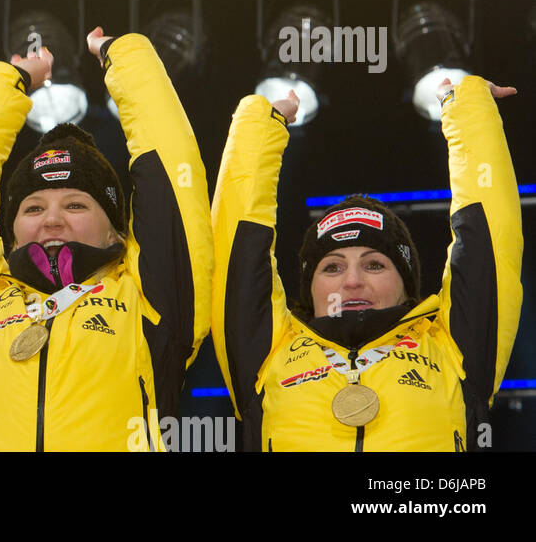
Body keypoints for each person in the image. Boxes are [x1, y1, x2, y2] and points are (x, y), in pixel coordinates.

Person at [0, 28, 214, 451]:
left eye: (76, 206)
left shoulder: (147, 300)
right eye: (33, 208)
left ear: (116, 229)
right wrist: (4, 88)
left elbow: (171, 179)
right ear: (11, 232)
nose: (51, 221)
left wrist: (128, 62)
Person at [210, 78, 522, 451]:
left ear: (407, 285)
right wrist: (260, 127)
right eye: (332, 268)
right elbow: (239, 246)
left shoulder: (453, 348)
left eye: (374, 265)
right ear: (309, 287)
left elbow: (488, 238)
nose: (352, 282)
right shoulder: (266, 354)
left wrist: (468, 110)